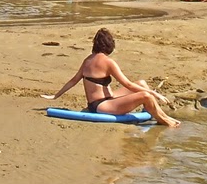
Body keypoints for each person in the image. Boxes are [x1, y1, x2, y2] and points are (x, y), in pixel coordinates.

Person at [42, 28, 180, 127]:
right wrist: (154, 93)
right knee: (146, 96)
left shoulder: (87, 60)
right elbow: (128, 85)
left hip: (105, 100)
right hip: (101, 106)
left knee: (142, 83)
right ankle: (166, 121)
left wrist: (56, 96)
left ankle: (164, 116)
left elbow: (73, 81)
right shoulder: (108, 62)